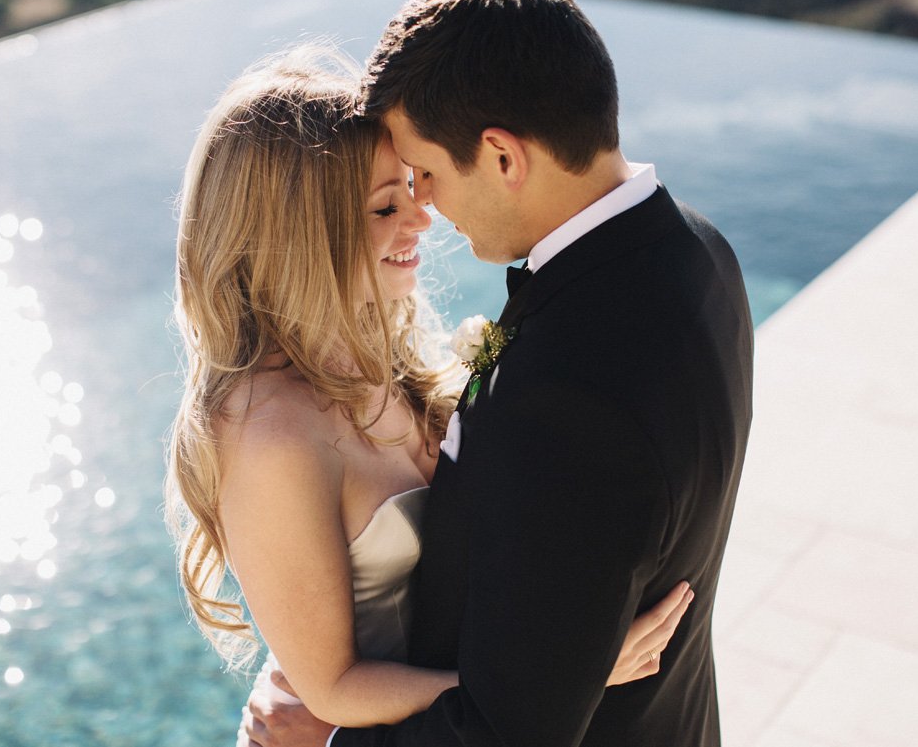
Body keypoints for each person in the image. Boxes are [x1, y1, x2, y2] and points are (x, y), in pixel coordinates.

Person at [244, 0, 754, 747]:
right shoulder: (701, 254)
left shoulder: (568, 396)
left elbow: (503, 733)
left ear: (504, 156)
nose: (427, 207)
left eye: (427, 174)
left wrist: (323, 740)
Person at [164, 48, 694, 741]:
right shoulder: (269, 433)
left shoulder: (370, 346)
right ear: (297, 234)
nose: (423, 218)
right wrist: (561, 672)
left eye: (413, 188)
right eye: (386, 204)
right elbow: (334, 685)